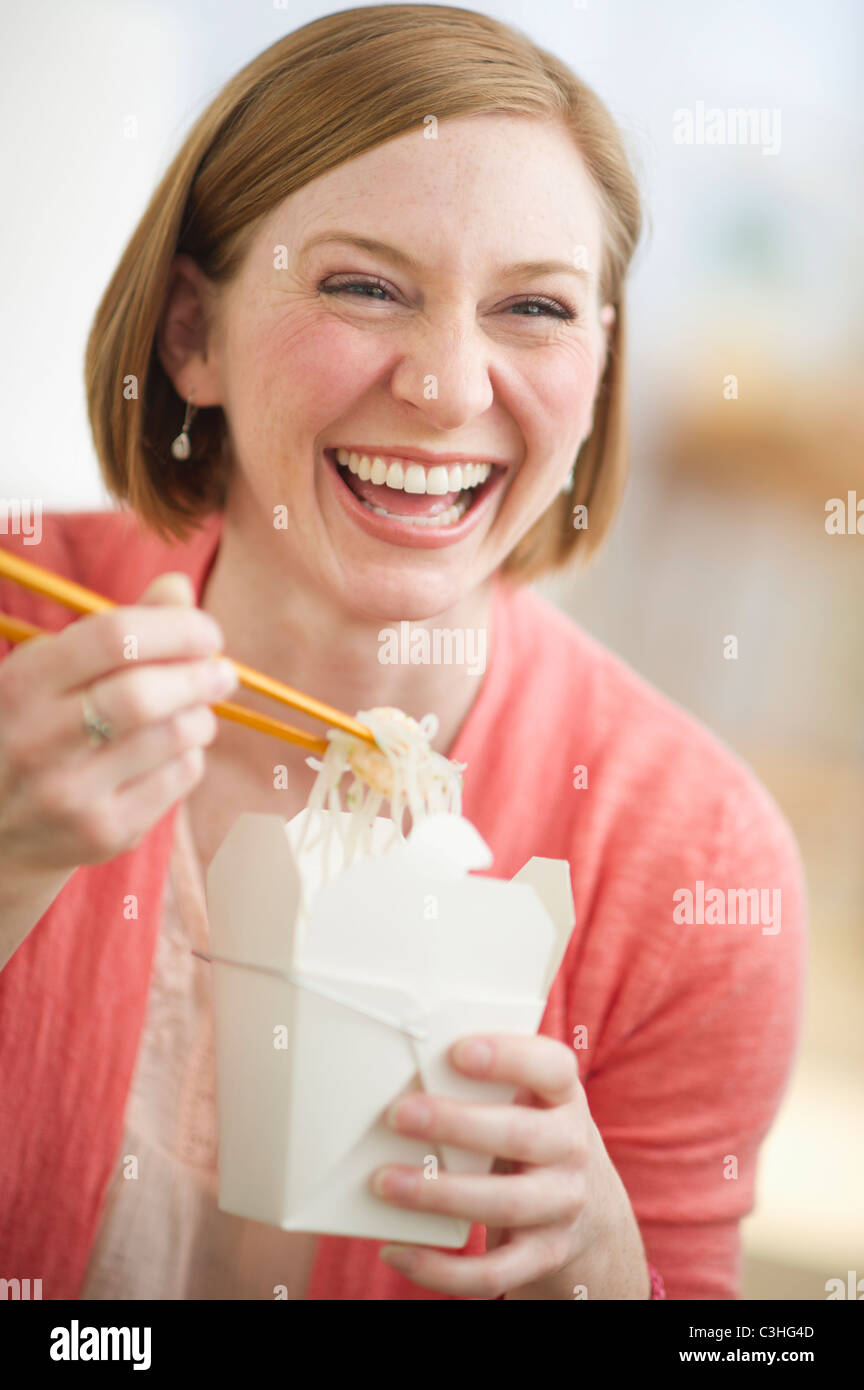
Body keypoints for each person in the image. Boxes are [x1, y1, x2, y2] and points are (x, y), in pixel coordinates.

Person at [0, 4, 805, 1301]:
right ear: (191, 334)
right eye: (363, 285)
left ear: (599, 370)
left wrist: (606, 1277)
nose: (447, 384)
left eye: (533, 307)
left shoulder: (696, 859)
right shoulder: (25, 629)